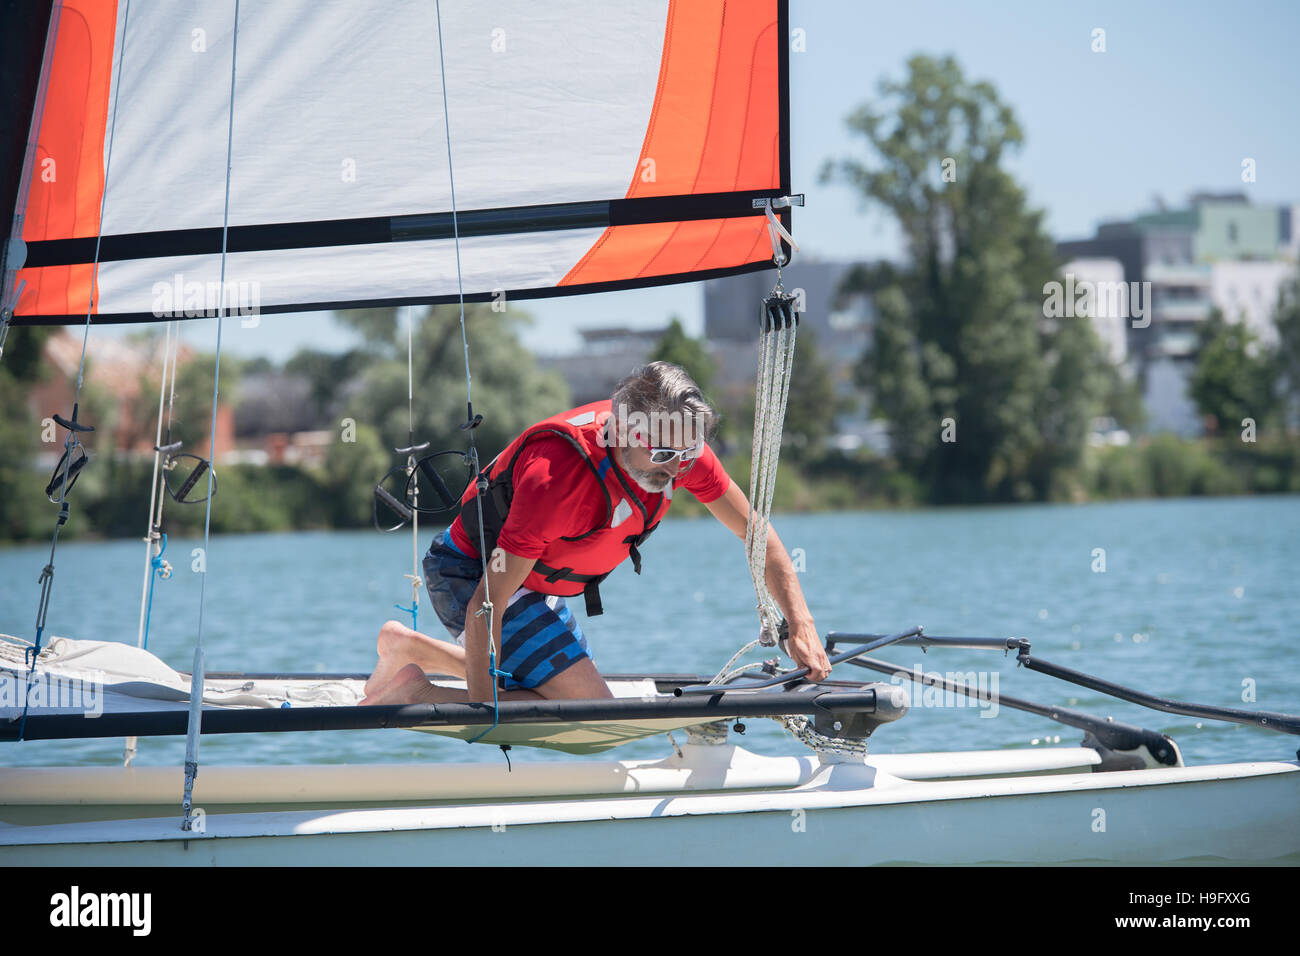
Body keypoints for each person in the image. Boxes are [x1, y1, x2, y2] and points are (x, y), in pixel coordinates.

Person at [362, 361, 829, 706]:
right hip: (472, 574)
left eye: (691, 451)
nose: (680, 468)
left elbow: (756, 535)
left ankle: (408, 647)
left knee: (555, 691)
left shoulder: (680, 446)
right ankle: (412, 691)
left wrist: (800, 624)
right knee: (588, 712)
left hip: (530, 581)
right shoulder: (557, 480)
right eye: (666, 455)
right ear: (622, 433)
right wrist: (484, 712)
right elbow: (487, 604)